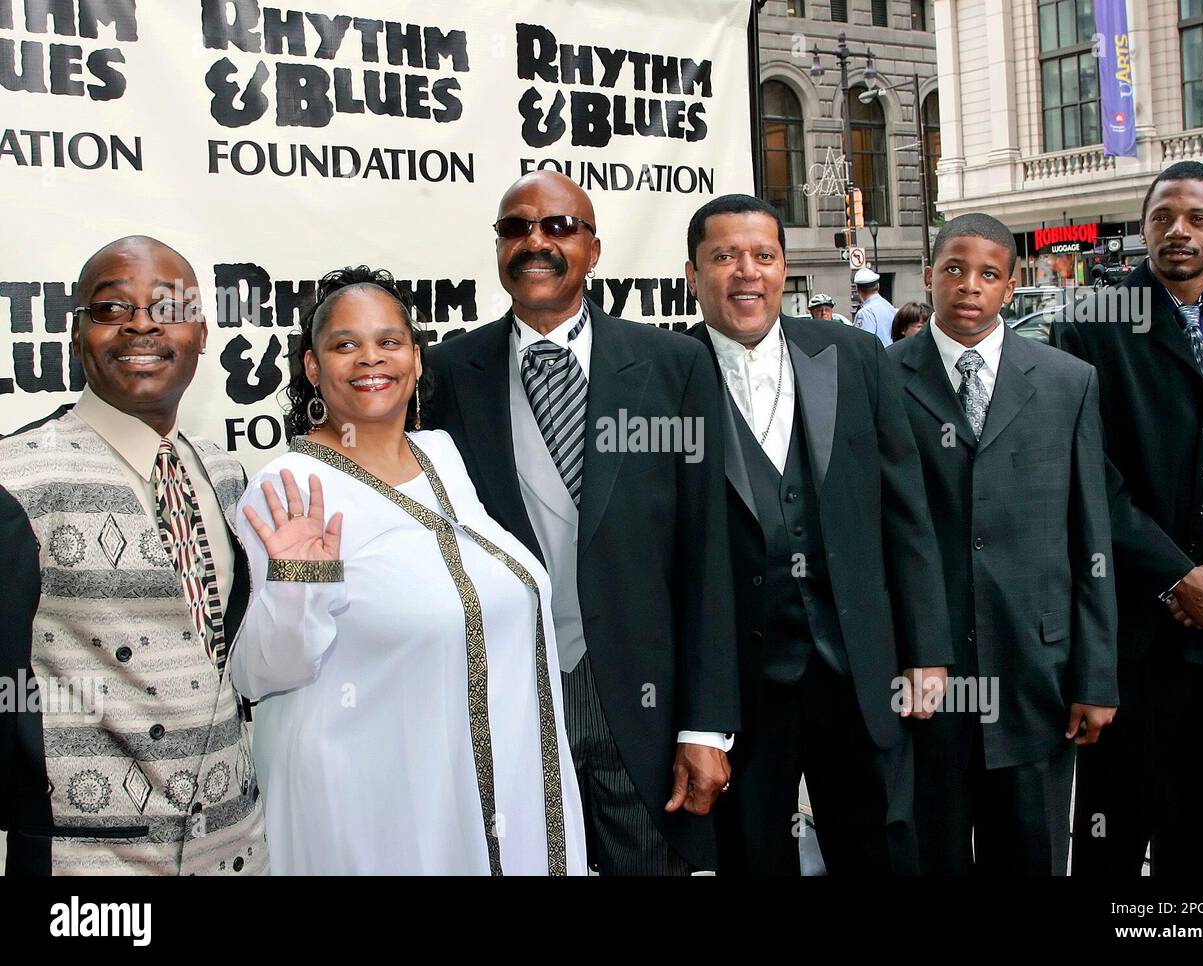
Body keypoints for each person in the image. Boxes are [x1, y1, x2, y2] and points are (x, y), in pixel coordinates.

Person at [426, 172, 739, 875]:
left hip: (641, 701)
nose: (535, 241)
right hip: (509, 698)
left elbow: (707, 553)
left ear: (593, 250)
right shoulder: (447, 373)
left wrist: (706, 724)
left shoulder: (673, 365)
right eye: (516, 228)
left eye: (559, 226)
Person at [229, 267, 586, 875]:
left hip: (477, 792)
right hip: (369, 808)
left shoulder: (440, 454)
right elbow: (259, 674)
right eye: (345, 344)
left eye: (389, 341)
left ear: (417, 360)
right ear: (313, 367)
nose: (370, 358)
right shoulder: (288, 488)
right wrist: (297, 586)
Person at [683, 194, 952, 876]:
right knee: (754, 856)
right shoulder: (665, 372)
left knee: (881, 850)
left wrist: (927, 648)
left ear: (784, 268)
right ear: (693, 274)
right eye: (724, 256)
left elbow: (906, 510)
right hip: (742, 683)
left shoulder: (854, 354)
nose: (747, 272)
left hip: (858, 667)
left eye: (763, 256)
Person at [1054, 160, 1203, 876]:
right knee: (1113, 829)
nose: (1178, 231)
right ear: (1143, 228)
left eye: (1197, 217)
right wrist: (1174, 577)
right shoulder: (1091, 328)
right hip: (1129, 632)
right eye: (1162, 217)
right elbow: (1089, 474)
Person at [0, 236, 267, 874]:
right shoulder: (15, 481)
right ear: (77, 335)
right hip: (88, 866)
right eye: (112, 308)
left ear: (201, 335)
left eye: (169, 307)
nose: (141, 324)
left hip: (240, 847)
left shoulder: (227, 475)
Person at [889, 214, 1118, 875]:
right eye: (954, 269)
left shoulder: (1069, 381)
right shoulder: (879, 377)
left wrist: (1095, 676)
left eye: (989, 274)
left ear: (1011, 287)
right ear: (928, 275)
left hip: (1035, 675)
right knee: (929, 855)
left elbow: (1091, 536)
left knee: (1031, 852)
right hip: (923, 678)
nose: (970, 285)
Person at [853, 267, 897, 346]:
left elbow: (864, 343)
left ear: (857, 289)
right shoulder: (889, 307)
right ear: (878, 286)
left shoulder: (865, 313)